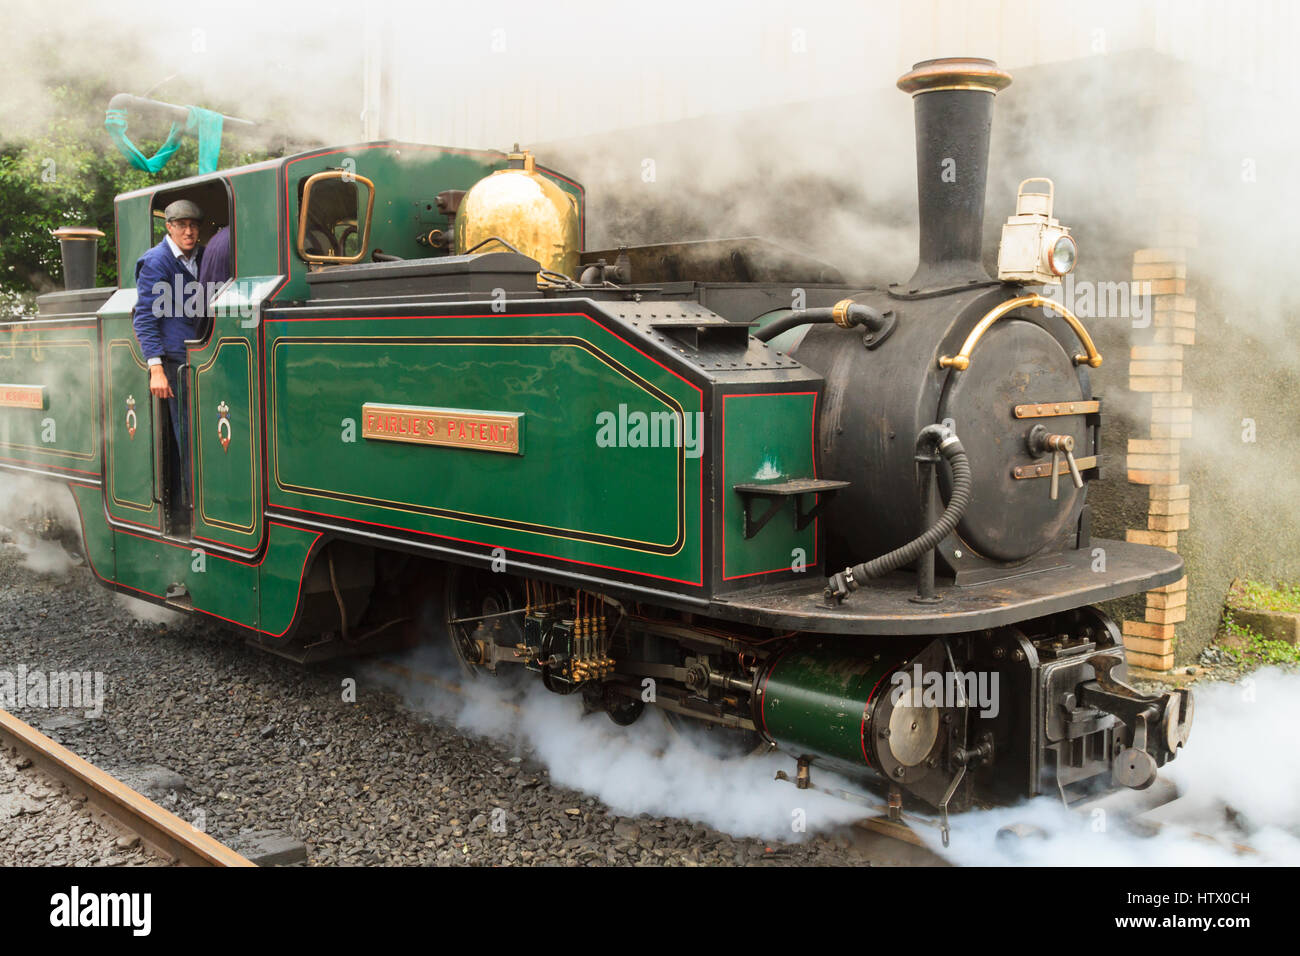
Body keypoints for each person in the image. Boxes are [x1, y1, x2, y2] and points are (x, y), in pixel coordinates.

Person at [132, 199, 205, 528]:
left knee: (200, 435)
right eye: (182, 225)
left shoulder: (199, 258)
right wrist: (156, 367)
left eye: (193, 225)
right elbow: (144, 318)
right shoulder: (156, 261)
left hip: (199, 356)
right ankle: (190, 516)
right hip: (176, 363)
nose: (189, 231)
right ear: (169, 228)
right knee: (187, 436)